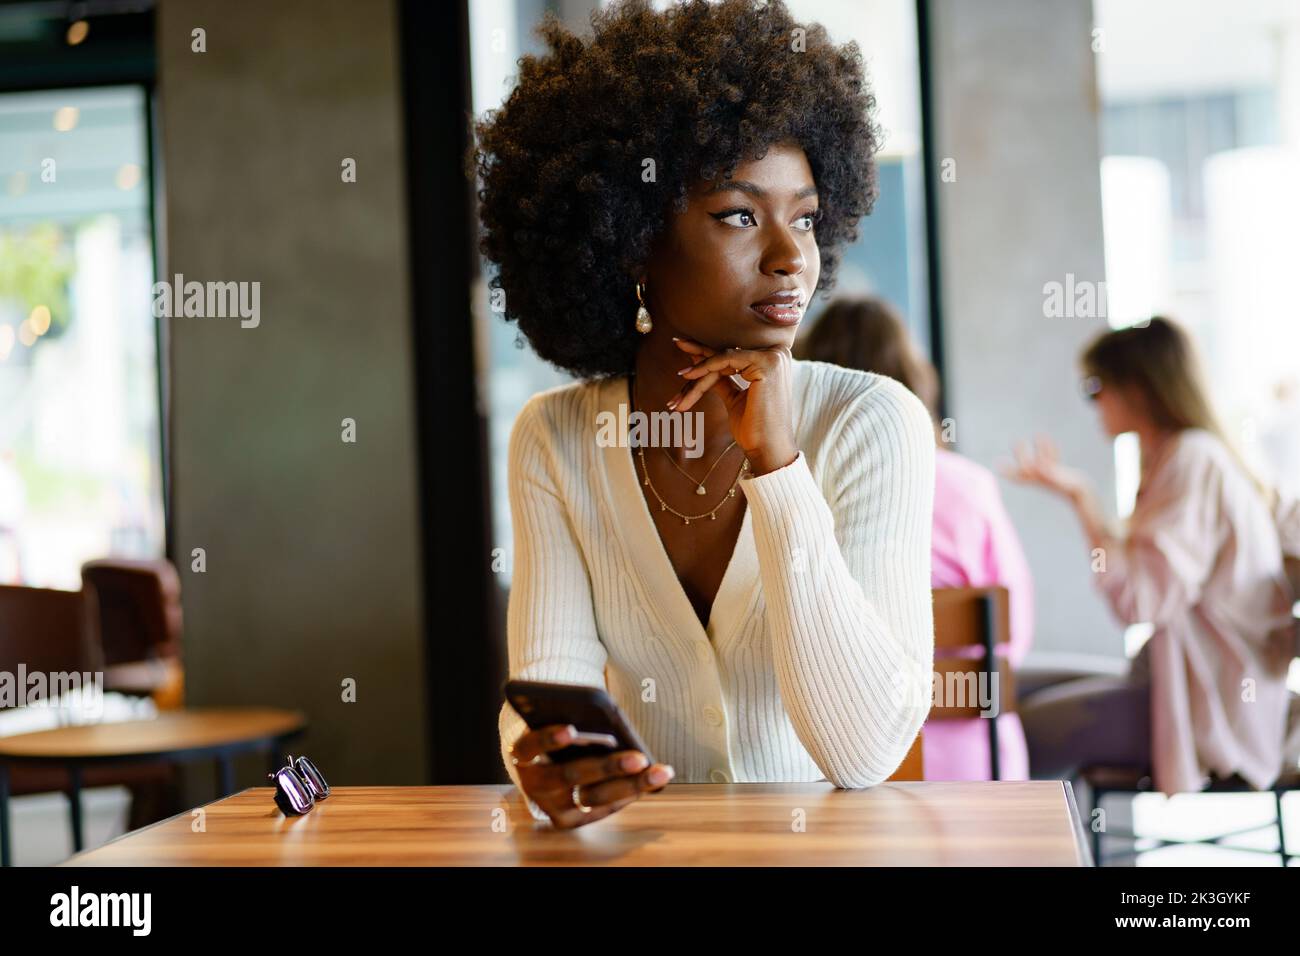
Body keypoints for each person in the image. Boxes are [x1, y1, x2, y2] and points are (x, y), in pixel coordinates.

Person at [475, 0, 935, 828]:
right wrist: (544, 770)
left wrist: (780, 467)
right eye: (739, 215)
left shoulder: (875, 423)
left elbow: (864, 751)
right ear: (631, 240)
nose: (793, 256)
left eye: (804, 217)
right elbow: (551, 691)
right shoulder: (556, 438)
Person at [1006, 317, 1298, 796]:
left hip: (1206, 708)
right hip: (1174, 681)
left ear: (1138, 386)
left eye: (1095, 387)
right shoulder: (1179, 457)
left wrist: (1084, 503)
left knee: (1012, 735)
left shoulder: (1190, 461)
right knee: (1003, 691)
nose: (1092, 402)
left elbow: (1139, 603)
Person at [797, 297, 1035, 780]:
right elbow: (1017, 632)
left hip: (837, 765)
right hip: (975, 767)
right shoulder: (969, 486)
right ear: (915, 377)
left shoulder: (796, 484)